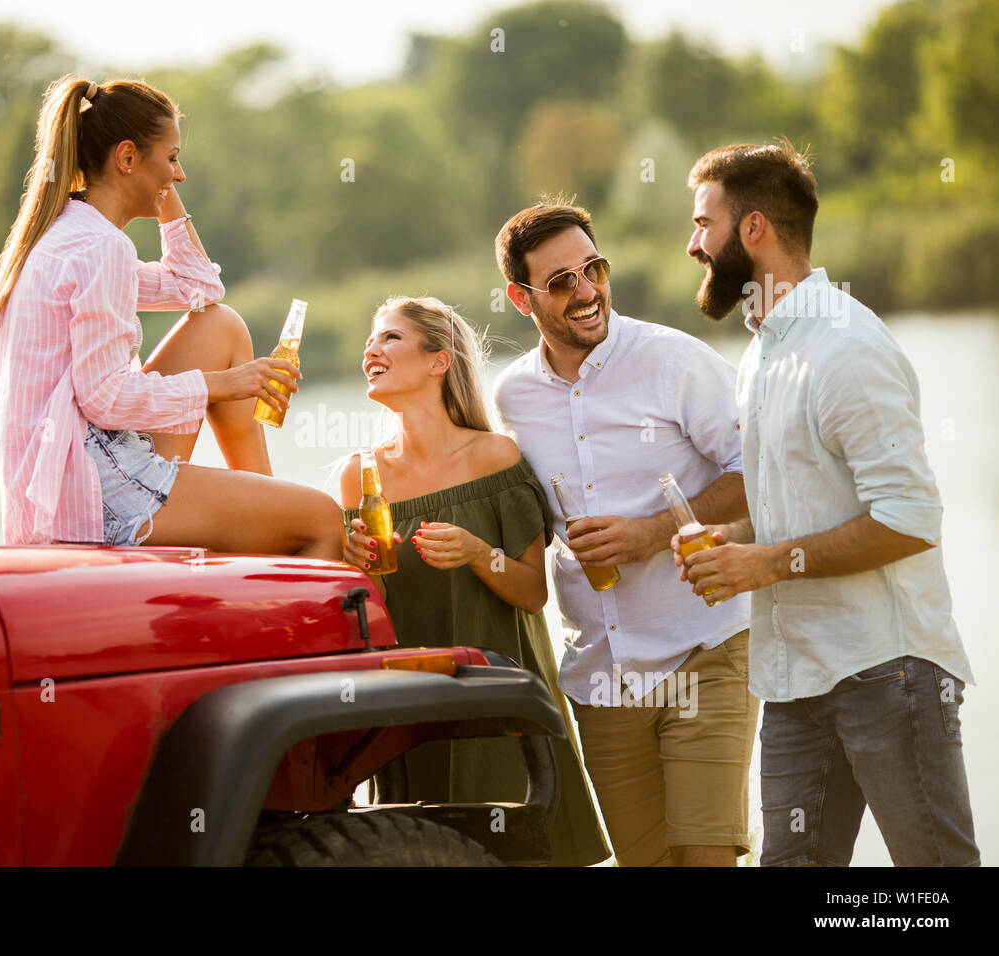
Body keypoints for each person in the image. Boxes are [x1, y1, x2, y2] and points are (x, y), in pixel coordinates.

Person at [677, 140, 978, 866]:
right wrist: (734, 542)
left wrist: (767, 565)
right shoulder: (763, 353)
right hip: (793, 677)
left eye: (702, 224)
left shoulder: (847, 347)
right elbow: (792, 505)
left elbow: (908, 519)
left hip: (888, 672)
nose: (692, 244)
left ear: (753, 230)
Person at [0, 76, 343, 558]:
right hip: (90, 492)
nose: (181, 174)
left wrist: (157, 179)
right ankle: (278, 539)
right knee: (323, 520)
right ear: (126, 158)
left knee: (220, 323)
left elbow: (200, 289)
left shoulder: (70, 235)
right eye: (172, 158)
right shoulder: (100, 249)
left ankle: (264, 513)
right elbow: (104, 398)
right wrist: (226, 384)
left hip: (71, 474)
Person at [492, 200, 757, 867]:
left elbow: (760, 473)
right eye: (560, 282)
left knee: (707, 858)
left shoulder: (673, 361)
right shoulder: (511, 398)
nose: (586, 292)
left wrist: (650, 533)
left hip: (707, 648)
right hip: (602, 677)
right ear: (521, 300)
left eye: (593, 268)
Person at [339, 295, 609, 867]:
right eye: (372, 337)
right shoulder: (361, 476)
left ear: (439, 361)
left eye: (389, 337)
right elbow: (373, 616)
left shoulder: (496, 458)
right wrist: (355, 563)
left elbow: (534, 592)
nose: (371, 348)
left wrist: (478, 553)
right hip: (415, 707)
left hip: (500, 701)